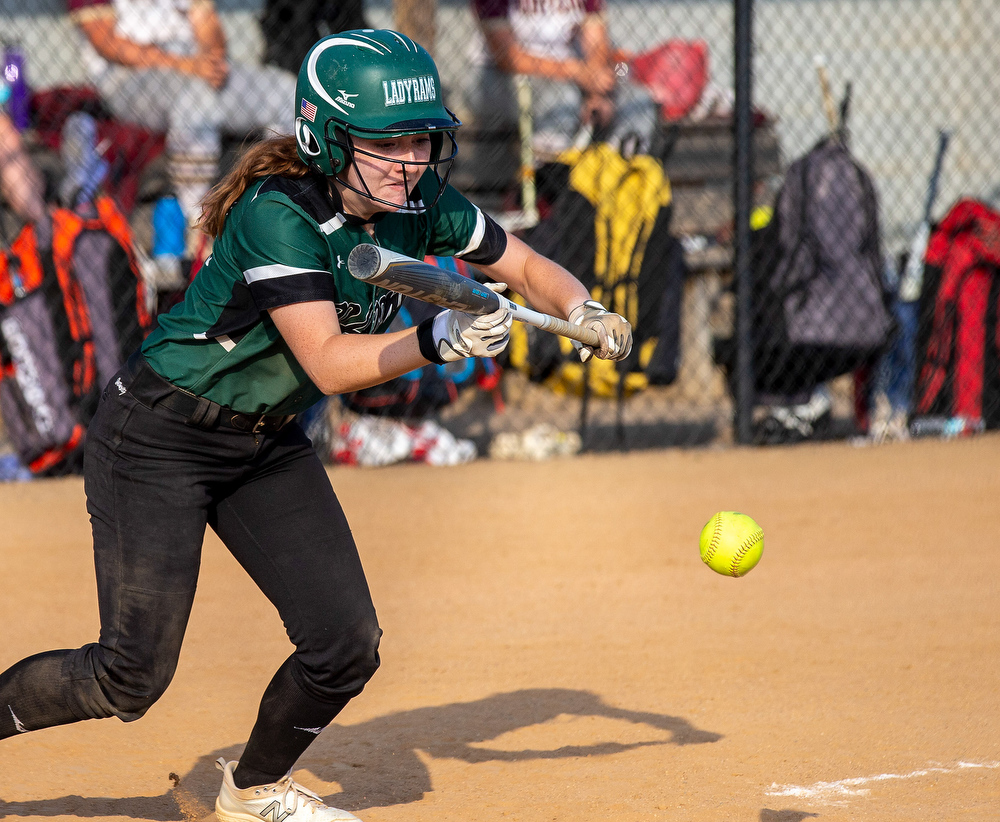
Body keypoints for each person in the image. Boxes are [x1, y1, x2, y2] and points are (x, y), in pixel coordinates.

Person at [0, 30, 632, 822]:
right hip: (158, 436)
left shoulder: (417, 204)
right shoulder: (279, 215)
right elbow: (329, 362)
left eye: (419, 139)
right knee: (129, 677)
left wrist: (582, 309)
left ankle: (253, 789)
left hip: (261, 440)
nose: (410, 159)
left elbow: (529, 267)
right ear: (327, 140)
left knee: (345, 642)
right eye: (386, 142)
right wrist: (436, 339)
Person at [68, 0, 297, 252]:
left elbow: (207, 22)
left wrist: (212, 59)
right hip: (128, 75)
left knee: (288, 92)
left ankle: (283, 206)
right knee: (196, 100)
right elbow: (107, 43)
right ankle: (198, 224)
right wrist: (187, 65)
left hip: (198, 64)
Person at [466, 0, 658, 161]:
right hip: (503, 79)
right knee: (562, 97)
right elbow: (508, 58)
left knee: (639, 100)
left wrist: (597, 92)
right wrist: (578, 72)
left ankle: (614, 178)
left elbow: (596, 44)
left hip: (573, 76)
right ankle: (548, 186)